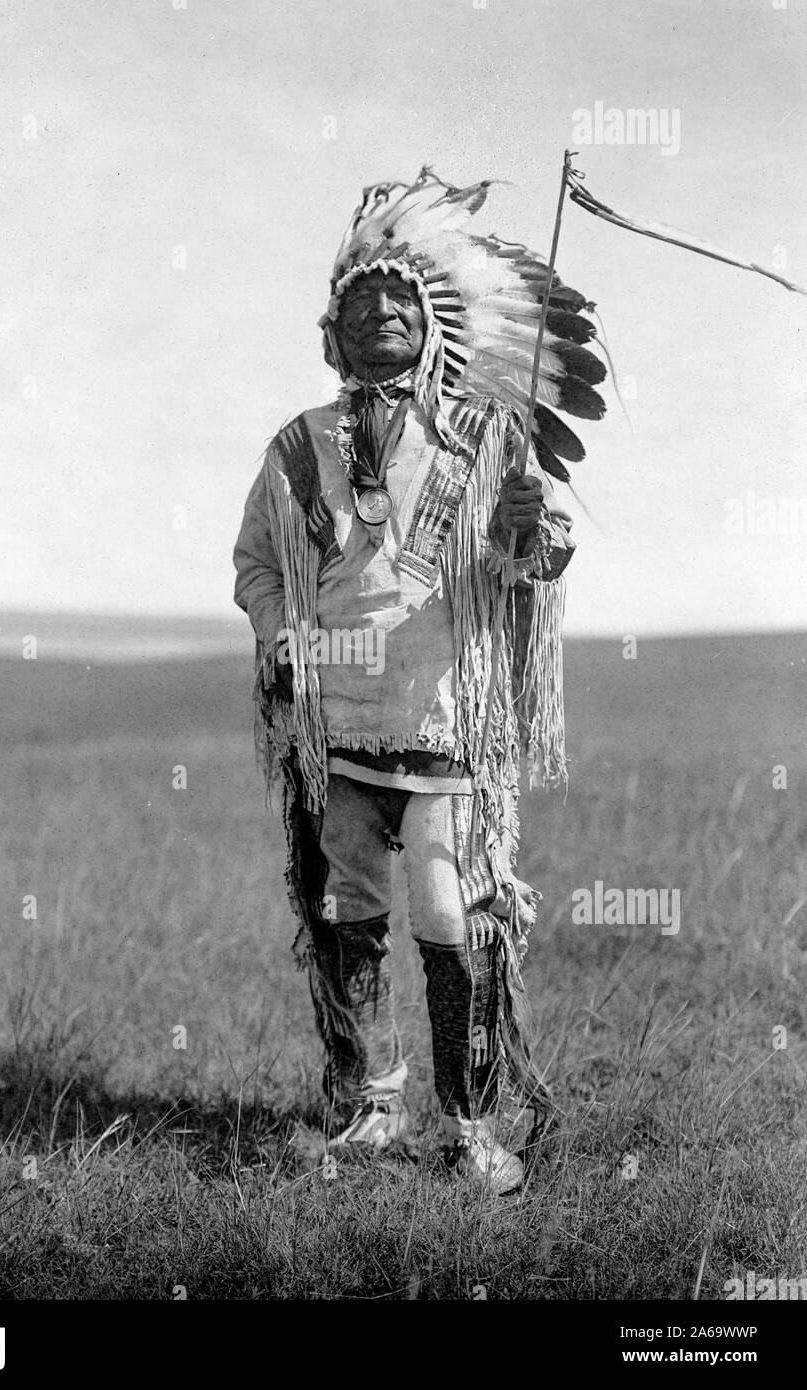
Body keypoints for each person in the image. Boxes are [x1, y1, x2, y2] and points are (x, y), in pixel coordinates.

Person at [233, 169, 605, 1191]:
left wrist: (536, 535)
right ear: (332, 326)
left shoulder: (487, 438)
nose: (383, 314)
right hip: (334, 718)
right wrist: (275, 634)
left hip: (443, 715)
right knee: (345, 904)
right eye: (362, 302)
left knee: (447, 914)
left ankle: (473, 1121)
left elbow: (537, 557)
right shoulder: (293, 446)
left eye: (401, 301)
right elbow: (258, 563)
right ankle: (371, 1104)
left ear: (432, 324)